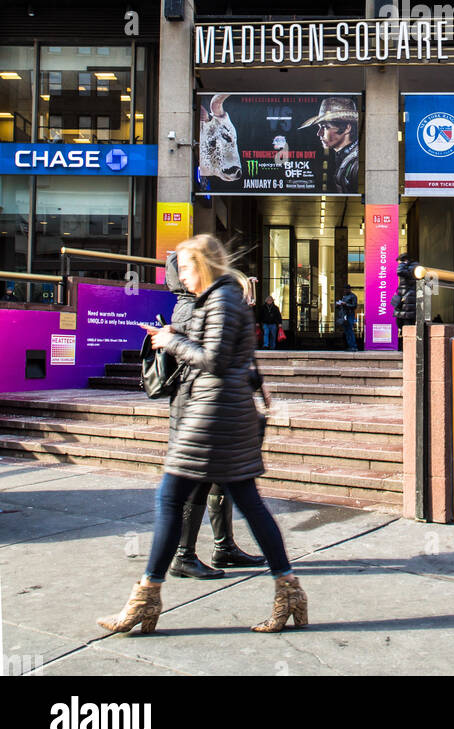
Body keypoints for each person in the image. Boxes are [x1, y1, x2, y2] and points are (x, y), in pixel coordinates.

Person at [98, 234, 308, 636]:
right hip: (219, 415)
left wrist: (170, 340)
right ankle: (288, 591)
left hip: (213, 419)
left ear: (205, 266)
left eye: (188, 268)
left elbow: (214, 359)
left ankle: (147, 598)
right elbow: (238, 358)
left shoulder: (222, 299)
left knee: (171, 499)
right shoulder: (217, 299)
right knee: (246, 502)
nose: (182, 276)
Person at [160, 252, 265, 579]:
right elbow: (211, 359)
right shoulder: (190, 307)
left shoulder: (203, 303)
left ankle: (224, 547)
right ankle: (183, 555)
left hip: (210, 404)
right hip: (194, 406)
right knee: (198, 482)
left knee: (221, 479)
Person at [300, 96, 359, 194]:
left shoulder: (355, 163)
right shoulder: (347, 158)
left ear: (347, 128)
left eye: (326, 127)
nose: (319, 133)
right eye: (319, 127)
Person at [390, 254, 418, 348]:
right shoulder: (409, 267)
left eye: (399, 262)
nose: (398, 264)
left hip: (409, 301)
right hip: (403, 300)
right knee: (400, 323)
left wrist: (403, 263)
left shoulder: (414, 267)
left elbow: (400, 271)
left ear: (405, 260)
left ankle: (407, 348)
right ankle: (404, 347)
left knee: (407, 325)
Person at [337, 286, 358, 351]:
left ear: (349, 289)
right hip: (344, 315)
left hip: (350, 314)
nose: (345, 291)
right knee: (347, 331)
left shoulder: (353, 296)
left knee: (350, 331)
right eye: (344, 290)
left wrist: (346, 304)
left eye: (346, 289)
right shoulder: (344, 296)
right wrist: (338, 305)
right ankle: (349, 345)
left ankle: (353, 346)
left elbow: (354, 306)